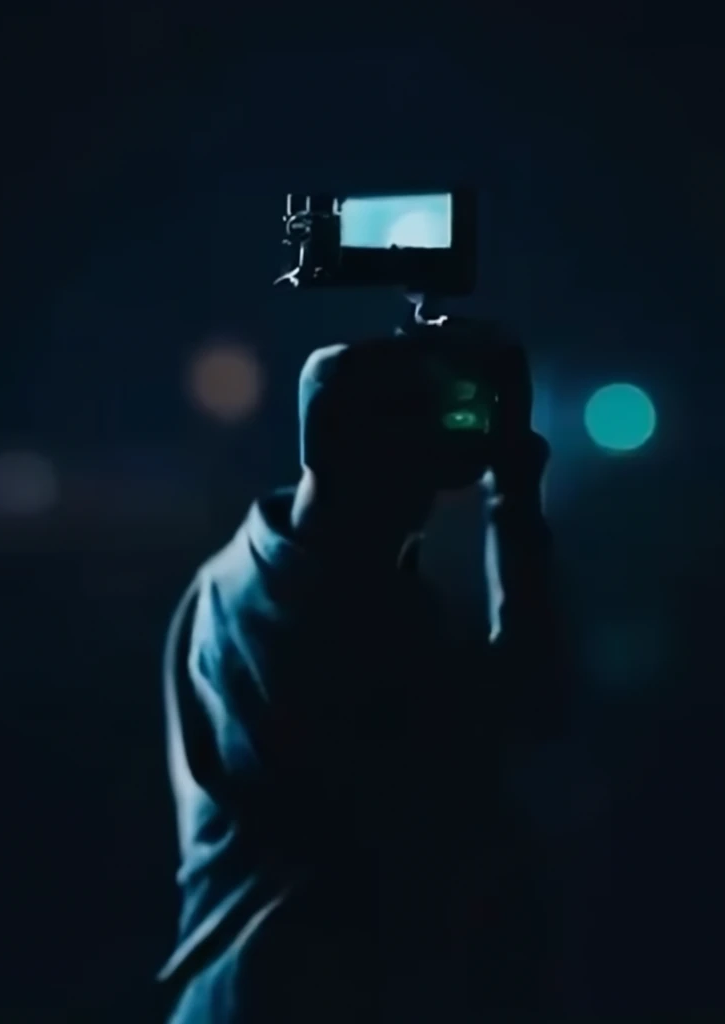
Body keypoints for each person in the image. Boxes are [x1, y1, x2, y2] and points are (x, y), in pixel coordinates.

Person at [160, 321, 567, 1023]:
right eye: (413, 432)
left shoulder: (232, 576)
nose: (439, 457)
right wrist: (514, 501)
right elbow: (532, 705)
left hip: (230, 993)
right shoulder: (349, 617)